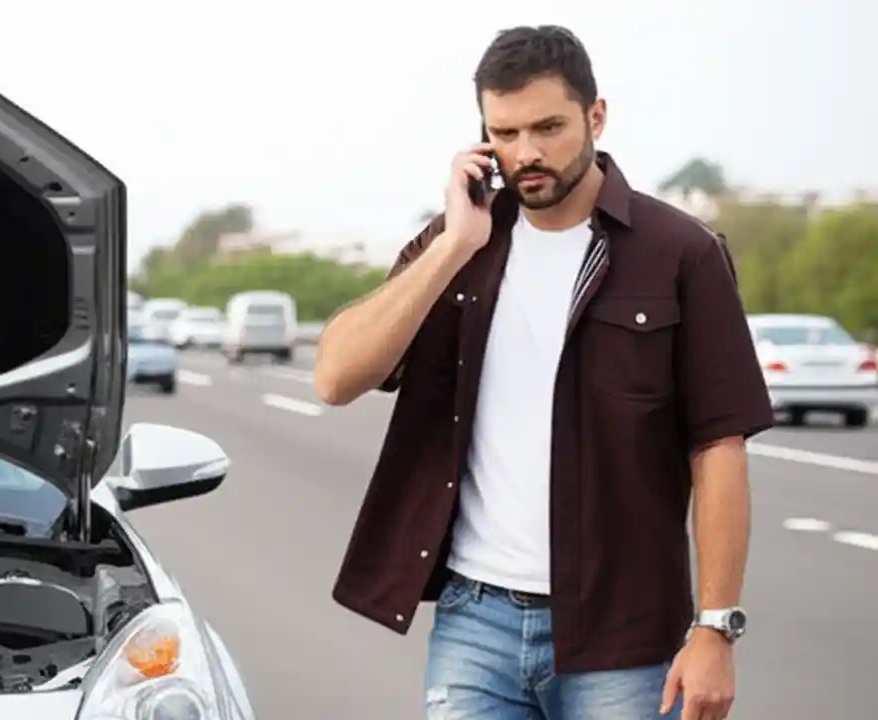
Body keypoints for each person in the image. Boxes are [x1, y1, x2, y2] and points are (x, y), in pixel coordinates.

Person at [313, 25, 774, 720]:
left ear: (596, 117)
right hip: (475, 623)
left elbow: (718, 449)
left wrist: (715, 627)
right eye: (504, 132)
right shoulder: (460, 244)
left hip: (626, 634)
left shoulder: (681, 253)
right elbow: (335, 378)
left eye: (548, 127)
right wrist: (453, 244)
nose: (525, 152)